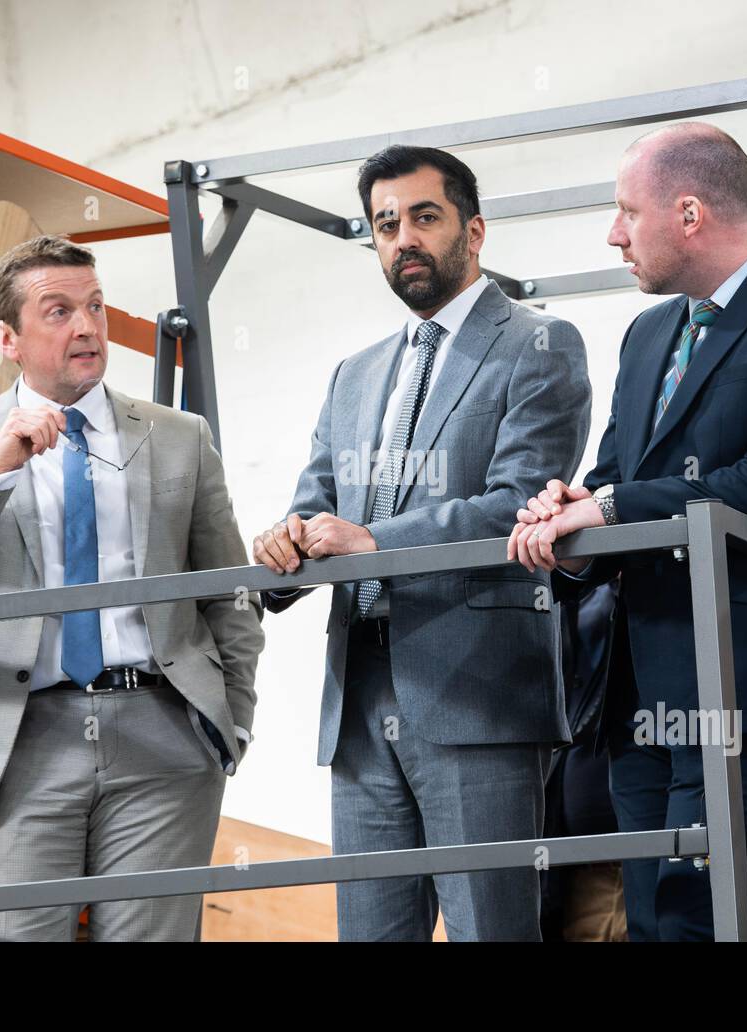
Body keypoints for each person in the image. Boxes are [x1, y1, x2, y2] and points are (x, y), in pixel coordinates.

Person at [508, 122, 747, 941]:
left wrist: (605, 509)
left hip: (745, 676)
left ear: (687, 213)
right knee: (657, 922)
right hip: (638, 683)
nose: (614, 235)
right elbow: (616, 477)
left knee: (712, 922)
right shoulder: (647, 336)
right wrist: (566, 513)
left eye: (624, 213)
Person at [253, 145, 591, 941]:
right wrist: (284, 546)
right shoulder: (355, 374)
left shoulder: (540, 344)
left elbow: (520, 505)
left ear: (474, 232)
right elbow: (319, 506)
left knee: (490, 933)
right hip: (360, 699)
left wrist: (371, 540)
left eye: (424, 217)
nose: (403, 237)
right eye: (385, 224)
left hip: (475, 693)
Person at [0, 234, 264, 941]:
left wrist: (232, 719)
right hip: (26, 733)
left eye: (93, 306)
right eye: (58, 311)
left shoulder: (179, 436)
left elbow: (230, 592)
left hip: (166, 731)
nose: (88, 327)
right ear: (7, 337)